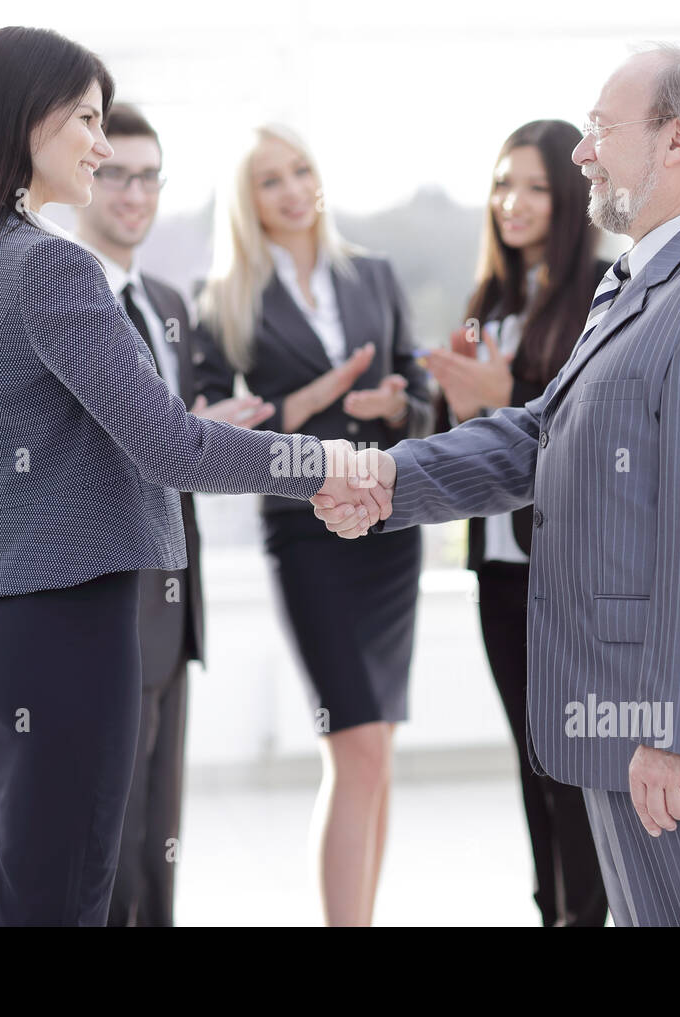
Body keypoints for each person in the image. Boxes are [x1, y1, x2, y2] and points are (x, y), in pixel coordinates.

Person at [0, 26, 384, 927]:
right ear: (25, 123)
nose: (102, 147)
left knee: (24, 891)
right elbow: (171, 449)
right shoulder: (55, 269)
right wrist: (323, 461)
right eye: (86, 119)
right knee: (68, 902)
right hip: (70, 628)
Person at [313, 43, 680, 927]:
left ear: (676, 140)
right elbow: (543, 434)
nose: (583, 152)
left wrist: (672, 734)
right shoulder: (641, 284)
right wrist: (393, 476)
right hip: (633, 729)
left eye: (600, 129)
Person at [190, 123, 432, 926]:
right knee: (354, 745)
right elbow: (203, 436)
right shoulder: (221, 299)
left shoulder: (374, 274)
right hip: (307, 535)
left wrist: (395, 402)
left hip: (389, 529)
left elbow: (421, 395)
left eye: (301, 171)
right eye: (270, 180)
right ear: (246, 201)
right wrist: (310, 401)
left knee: (379, 751)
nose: (293, 190)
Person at [71, 104, 271, 926]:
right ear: (84, 176)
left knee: (158, 834)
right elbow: (86, 456)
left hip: (172, 603)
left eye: (149, 175)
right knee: (108, 842)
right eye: (115, 172)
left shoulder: (165, 302)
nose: (134, 192)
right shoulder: (65, 300)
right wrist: (192, 436)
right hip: (104, 603)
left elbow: (185, 432)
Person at [425, 119, 608, 927]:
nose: (513, 202)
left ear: (569, 198)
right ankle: (554, 909)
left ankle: (584, 912)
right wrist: (431, 404)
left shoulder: (607, 291)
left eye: (535, 186)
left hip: (567, 575)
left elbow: (596, 441)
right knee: (533, 760)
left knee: (574, 765)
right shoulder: (486, 305)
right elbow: (457, 445)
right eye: (503, 184)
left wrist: (500, 400)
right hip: (498, 572)